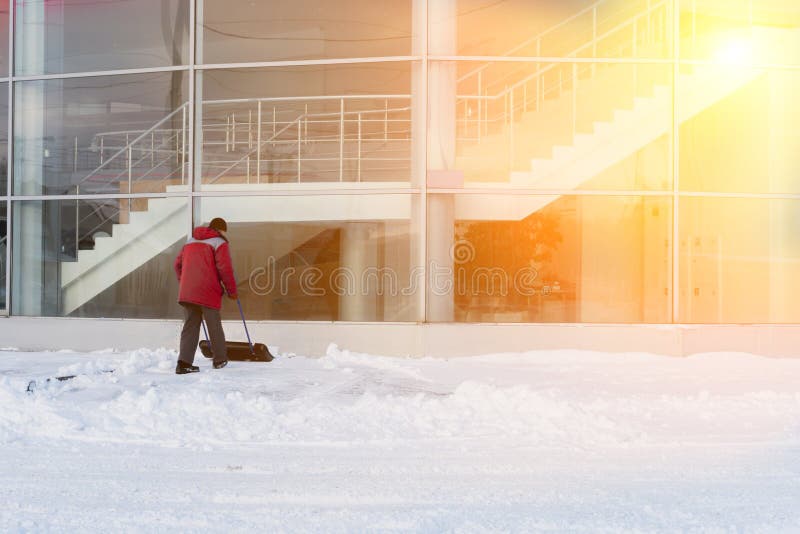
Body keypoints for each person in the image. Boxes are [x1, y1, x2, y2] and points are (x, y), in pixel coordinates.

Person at [173, 217, 237, 374]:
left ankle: (184, 363)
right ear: (220, 230)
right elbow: (224, 268)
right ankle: (220, 360)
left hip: (188, 291)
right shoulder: (219, 242)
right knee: (213, 325)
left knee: (190, 326)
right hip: (208, 290)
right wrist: (232, 291)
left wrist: (185, 282)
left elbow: (177, 265)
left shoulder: (190, 241)